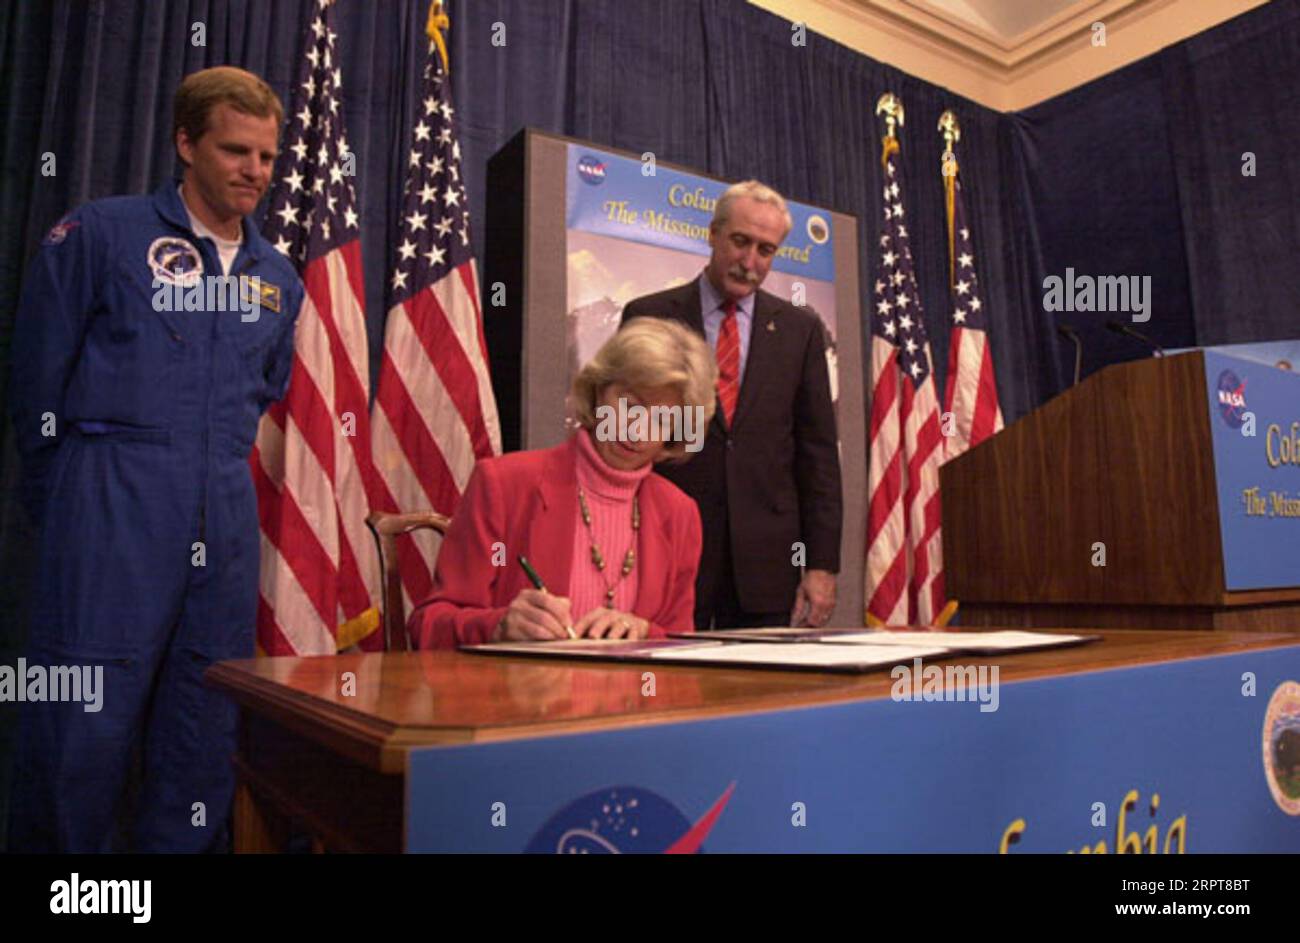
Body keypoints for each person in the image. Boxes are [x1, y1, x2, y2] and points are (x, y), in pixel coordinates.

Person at [7, 66, 303, 852]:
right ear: (185, 143)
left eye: (269, 157)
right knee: (82, 726)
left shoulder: (279, 278)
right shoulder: (103, 234)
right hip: (111, 498)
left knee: (203, 722)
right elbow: (36, 379)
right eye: (236, 151)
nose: (255, 172)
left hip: (224, 510)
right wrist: (72, 501)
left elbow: (263, 389)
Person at [409, 318, 716, 648]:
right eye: (631, 405)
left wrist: (644, 633)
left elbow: (682, 642)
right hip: (521, 696)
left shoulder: (679, 513)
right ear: (599, 391)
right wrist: (498, 627)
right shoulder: (504, 484)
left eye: (662, 419)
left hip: (635, 698)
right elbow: (428, 626)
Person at [622, 180, 842, 629]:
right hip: (667, 553)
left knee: (763, 694)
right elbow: (618, 432)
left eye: (765, 250)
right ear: (713, 233)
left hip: (767, 568)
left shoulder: (801, 330)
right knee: (671, 690)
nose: (750, 262)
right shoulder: (648, 316)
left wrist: (821, 565)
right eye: (740, 241)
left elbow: (817, 455)